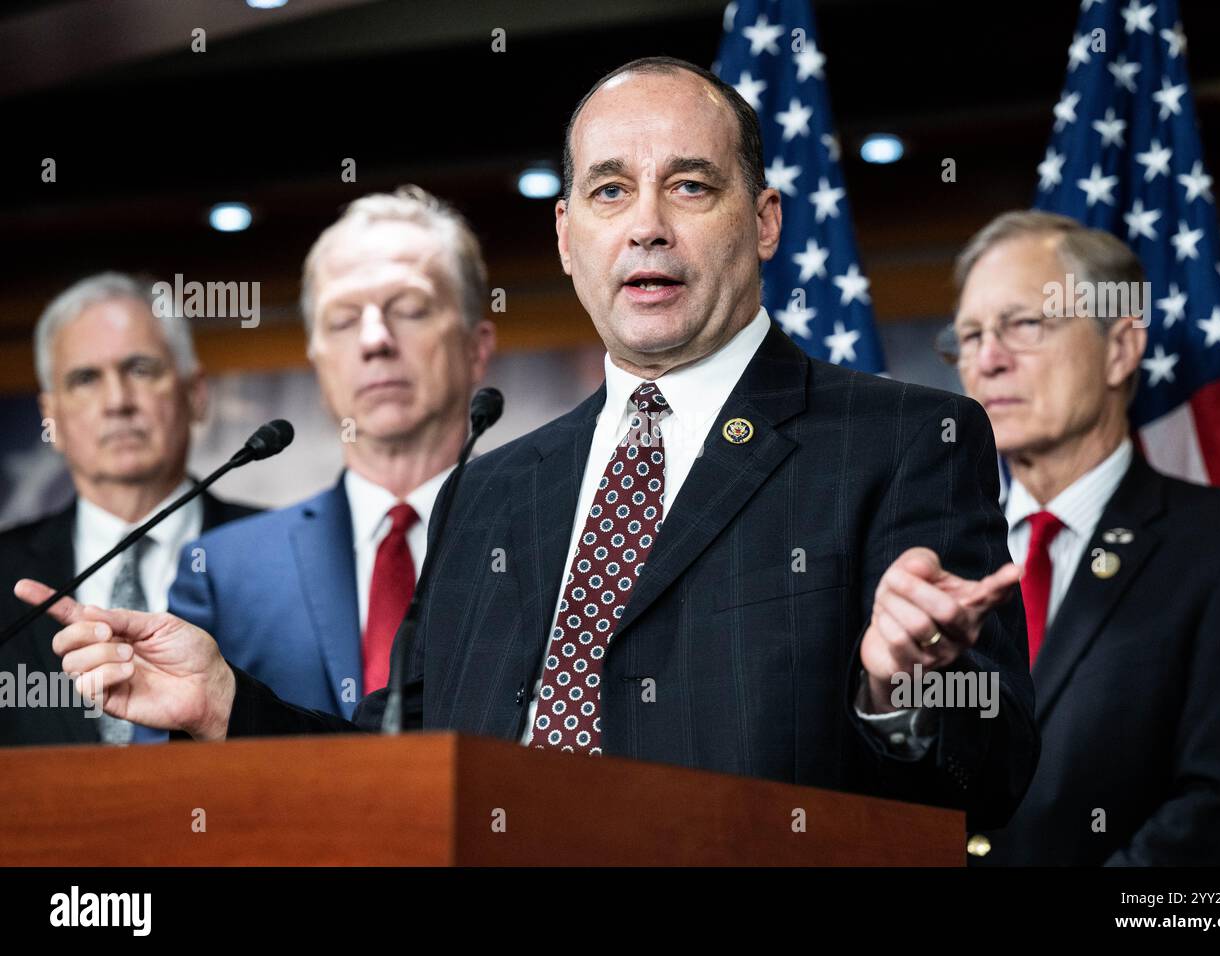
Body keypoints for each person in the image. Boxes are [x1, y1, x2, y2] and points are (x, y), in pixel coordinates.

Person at [18, 58, 1039, 827]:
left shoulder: (903, 439)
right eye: (608, 191)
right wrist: (226, 701)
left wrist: (897, 692)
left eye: (689, 186)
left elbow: (996, 781)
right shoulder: (497, 485)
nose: (644, 225)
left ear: (764, 220)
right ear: (564, 237)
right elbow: (405, 753)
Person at [941, 210, 1220, 864]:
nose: (987, 361)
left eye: (1024, 325)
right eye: (969, 336)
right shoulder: (927, 555)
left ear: (1120, 349)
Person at [166, 187, 496, 717]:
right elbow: (164, 777)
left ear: (478, 347)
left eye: (409, 310)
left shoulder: (554, 540)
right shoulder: (226, 573)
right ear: (317, 362)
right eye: (343, 320)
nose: (374, 340)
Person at [0, 273, 257, 746]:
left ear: (196, 393)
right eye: (85, 379)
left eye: (140, 369)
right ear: (50, 418)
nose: (117, 402)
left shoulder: (281, 552)